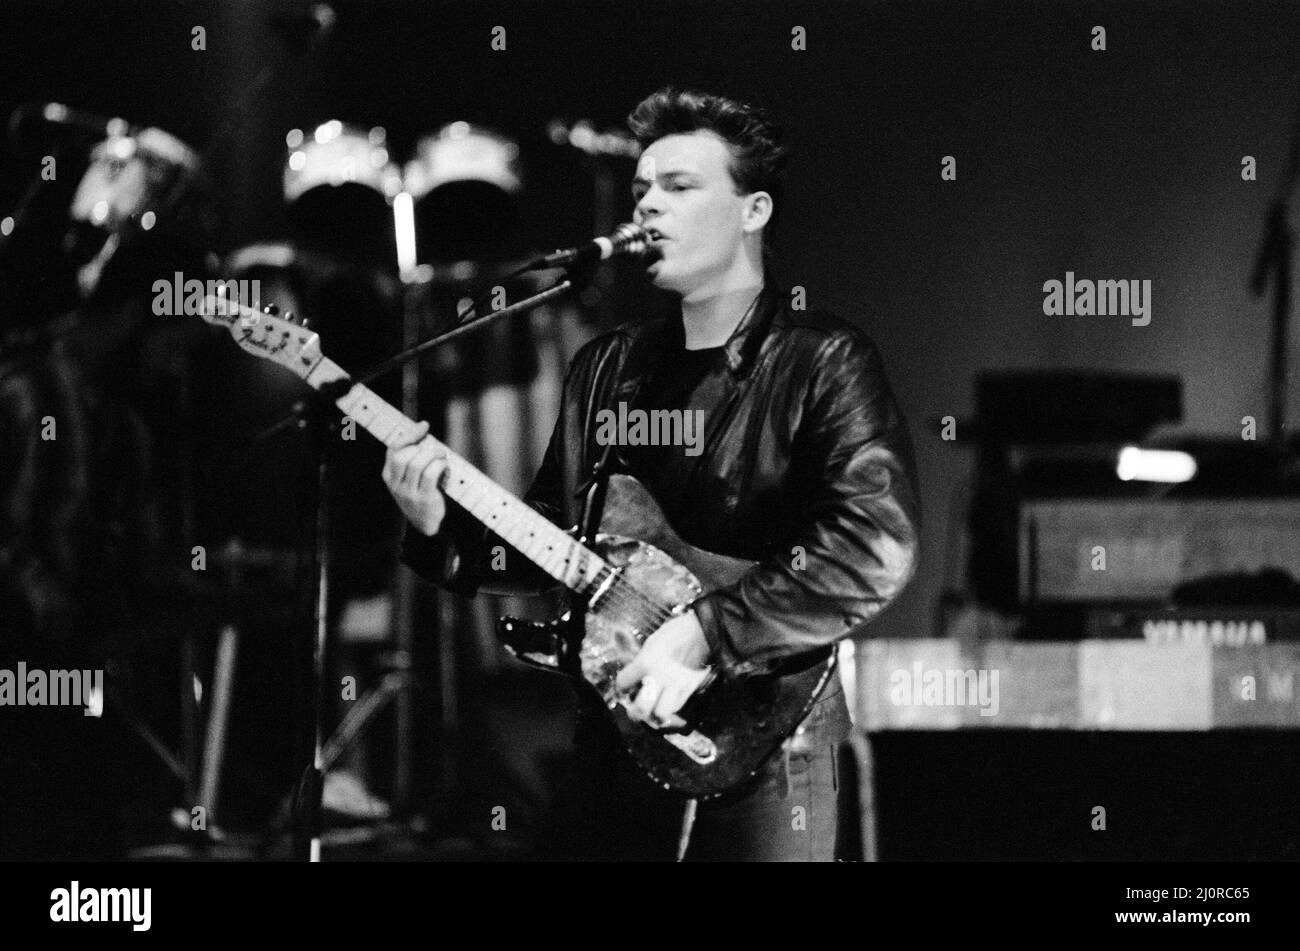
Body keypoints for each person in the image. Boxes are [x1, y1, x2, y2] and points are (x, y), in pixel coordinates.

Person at [383, 87, 921, 861]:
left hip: (769, 738)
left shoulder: (822, 360)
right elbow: (550, 543)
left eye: (679, 187)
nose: (647, 211)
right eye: (641, 191)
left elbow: (876, 543)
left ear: (753, 210)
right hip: (618, 733)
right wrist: (438, 528)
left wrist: (709, 632)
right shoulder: (607, 368)